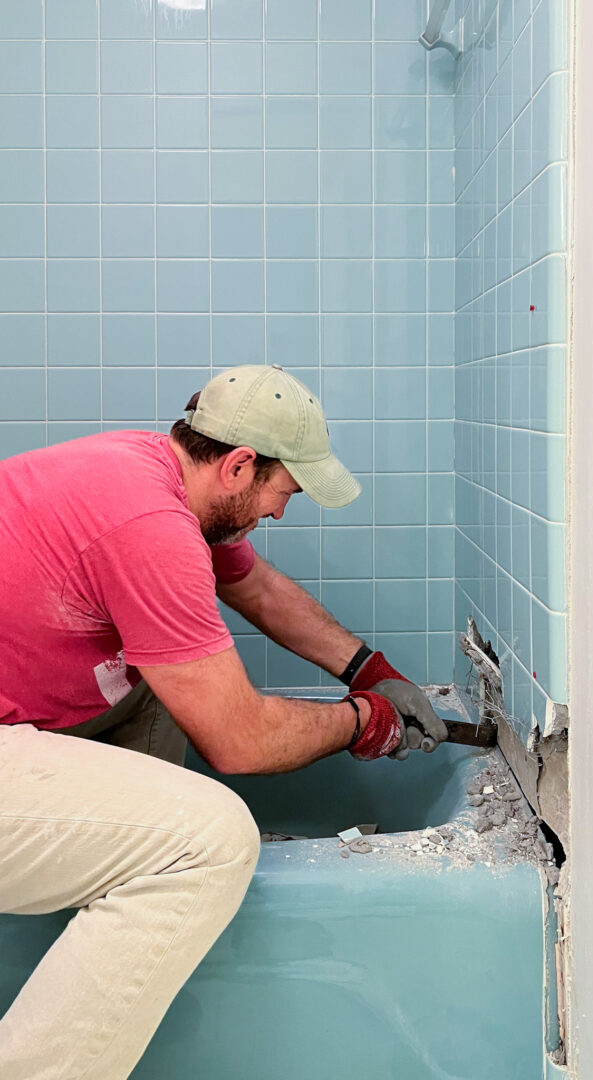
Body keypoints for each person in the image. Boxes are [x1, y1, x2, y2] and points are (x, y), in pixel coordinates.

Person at [0, 364, 448, 1079]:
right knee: (211, 839)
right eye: (284, 491)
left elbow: (254, 586)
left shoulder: (150, 474)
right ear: (240, 466)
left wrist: (369, 668)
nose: (280, 513)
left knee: (162, 679)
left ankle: (119, 916)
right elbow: (238, 742)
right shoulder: (149, 525)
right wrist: (366, 722)